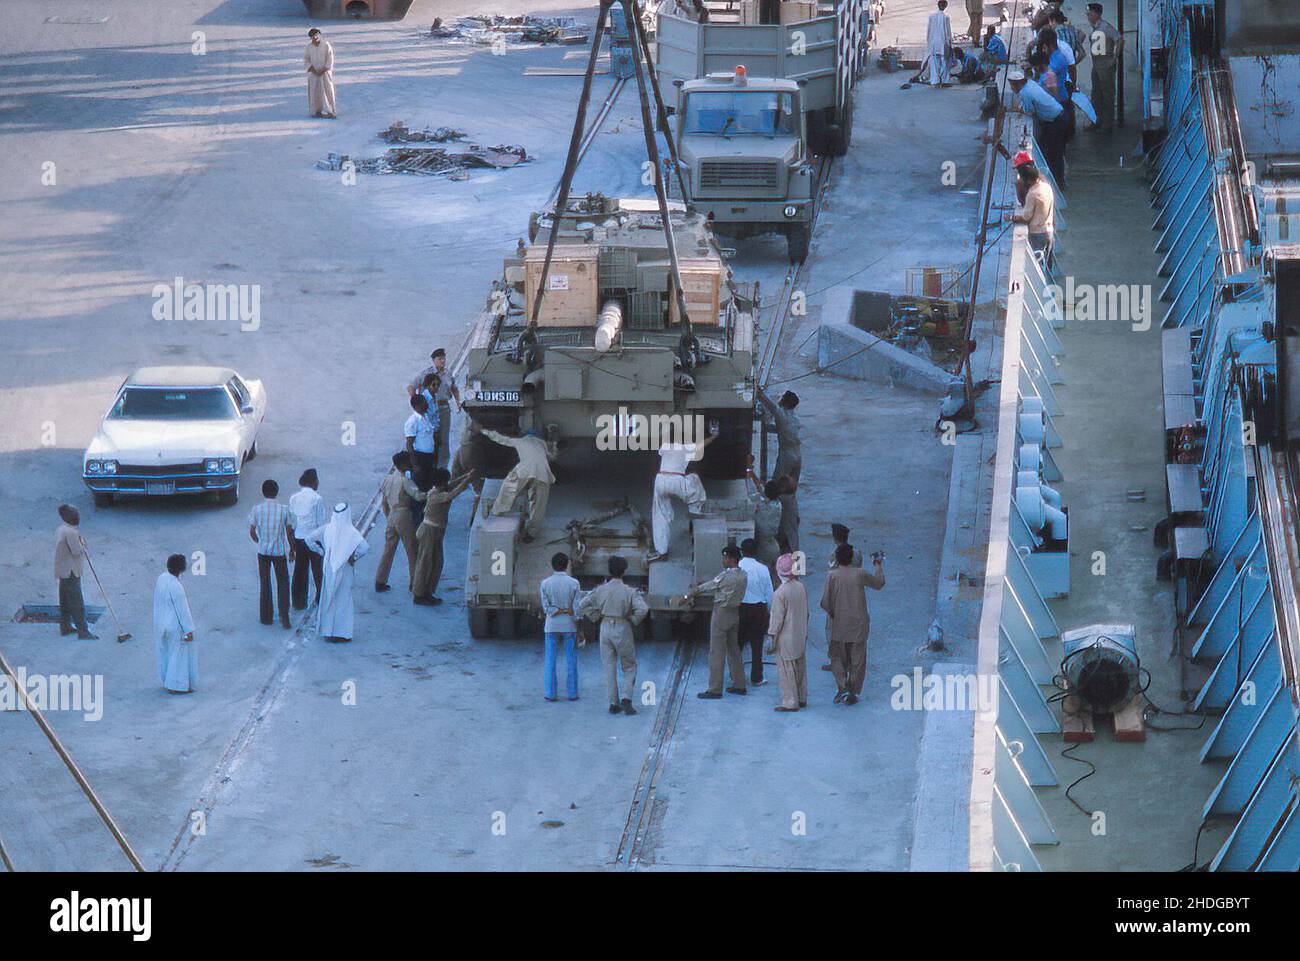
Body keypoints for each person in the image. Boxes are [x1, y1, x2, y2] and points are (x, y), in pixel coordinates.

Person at [578, 555, 649, 715]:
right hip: (622, 626)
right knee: (629, 665)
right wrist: (633, 618)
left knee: (609, 666)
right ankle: (626, 698)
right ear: (624, 571)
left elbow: (582, 604)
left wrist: (595, 616)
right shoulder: (629, 591)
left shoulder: (600, 589)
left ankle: (613, 703)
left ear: (609, 571)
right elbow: (643, 609)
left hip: (605, 627)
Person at [820, 544, 886, 704]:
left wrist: (833, 614)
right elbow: (879, 583)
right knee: (858, 660)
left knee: (837, 658)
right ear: (852, 558)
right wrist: (878, 564)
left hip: (839, 626)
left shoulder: (832, 576)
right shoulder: (860, 573)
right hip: (858, 625)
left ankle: (842, 687)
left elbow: (825, 602)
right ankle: (853, 690)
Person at [690, 545, 750, 699]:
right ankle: (740, 683)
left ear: (731, 559)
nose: (723, 560)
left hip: (721, 614)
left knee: (716, 652)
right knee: (734, 650)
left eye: (725, 557)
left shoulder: (725, 577)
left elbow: (710, 586)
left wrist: (693, 591)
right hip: (734, 614)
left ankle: (715, 689)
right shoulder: (743, 575)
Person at [479, 421, 555, 542]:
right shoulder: (542, 443)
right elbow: (552, 457)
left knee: (509, 487)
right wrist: (553, 441)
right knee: (539, 504)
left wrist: (484, 431)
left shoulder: (520, 441)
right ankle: (531, 533)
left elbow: (502, 439)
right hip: (543, 474)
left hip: (525, 470)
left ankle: (498, 510)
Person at [305, 503, 369, 642]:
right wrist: (353, 557)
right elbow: (364, 547)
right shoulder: (352, 532)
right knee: (344, 599)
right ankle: (342, 633)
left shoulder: (327, 528)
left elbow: (309, 538)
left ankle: (327, 631)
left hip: (329, 567)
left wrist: (321, 552)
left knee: (329, 598)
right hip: (345, 568)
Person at [649, 431, 716, 562]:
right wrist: (713, 436)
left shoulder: (666, 446)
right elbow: (703, 444)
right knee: (694, 479)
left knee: (659, 514)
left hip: (660, 480)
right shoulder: (687, 448)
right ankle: (694, 511)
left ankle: (662, 551)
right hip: (676, 480)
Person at [413, 467, 475, 606]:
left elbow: (452, 484)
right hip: (429, 531)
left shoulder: (439, 489)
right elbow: (452, 493)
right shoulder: (435, 495)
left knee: (436, 563)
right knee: (425, 563)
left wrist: (466, 476)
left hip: (436, 532)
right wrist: (467, 480)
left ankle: (427, 591)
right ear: (441, 482)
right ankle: (419, 594)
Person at [375, 452, 427, 594]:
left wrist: (389, 517)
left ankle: (380, 580)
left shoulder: (387, 479)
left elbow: (384, 502)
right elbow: (418, 496)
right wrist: (432, 493)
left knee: (388, 549)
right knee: (412, 550)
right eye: (408, 461)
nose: (410, 463)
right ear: (402, 465)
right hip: (403, 515)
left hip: (392, 514)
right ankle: (414, 584)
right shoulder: (405, 480)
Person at [1008, 69, 1067, 189]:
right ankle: (1055, 180)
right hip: (1055, 117)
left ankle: (1058, 183)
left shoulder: (1025, 92)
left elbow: (1029, 111)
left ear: (1016, 83)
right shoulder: (1030, 84)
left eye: (1012, 84)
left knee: (1054, 153)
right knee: (1049, 150)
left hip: (1056, 121)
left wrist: (1019, 110)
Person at [247, 479, 294, 629]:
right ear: (277, 491)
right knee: (283, 583)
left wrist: (259, 542)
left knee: (265, 583)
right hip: (279, 551)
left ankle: (266, 617)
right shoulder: (284, 510)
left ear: (263, 492)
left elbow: (252, 531)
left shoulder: (257, 509)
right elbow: (288, 532)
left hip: (263, 552)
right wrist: (292, 549)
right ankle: (284, 617)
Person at [767, 553, 809, 712]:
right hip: (800, 633)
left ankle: (790, 702)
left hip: (786, 637)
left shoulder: (780, 593)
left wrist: (772, 636)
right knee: (800, 666)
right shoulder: (800, 586)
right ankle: (802, 696)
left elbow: (776, 619)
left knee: (786, 670)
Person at [540, 552, 583, 702]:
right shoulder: (574, 583)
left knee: (550, 659)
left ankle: (550, 693)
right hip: (570, 625)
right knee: (571, 659)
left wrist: (557, 610)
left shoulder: (545, 583)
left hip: (551, 625)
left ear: (552, 565)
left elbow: (546, 608)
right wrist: (570, 614)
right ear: (567, 565)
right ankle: (572, 693)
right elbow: (577, 609)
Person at [154, 554, 197, 694]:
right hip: (174, 626)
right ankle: (175, 685)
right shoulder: (177, 587)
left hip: (161, 623)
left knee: (166, 653)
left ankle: (166, 680)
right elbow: (182, 611)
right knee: (177, 655)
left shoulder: (161, 579)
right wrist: (188, 630)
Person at [55, 505, 97, 640]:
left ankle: (65, 626)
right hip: (71, 571)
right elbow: (77, 551)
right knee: (76, 601)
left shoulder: (61, 529)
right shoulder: (72, 532)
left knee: (65, 600)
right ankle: (83, 631)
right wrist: (83, 543)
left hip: (62, 570)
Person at [288, 469, 326, 610]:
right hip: (313, 539)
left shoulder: (294, 498)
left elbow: (292, 522)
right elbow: (320, 523)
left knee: (300, 571)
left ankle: (298, 602)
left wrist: (292, 546)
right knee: (318, 571)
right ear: (313, 482)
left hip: (299, 538)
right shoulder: (317, 499)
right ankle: (320, 598)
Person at [738, 538, 773, 686]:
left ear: (741, 551)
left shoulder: (737, 566)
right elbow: (769, 594)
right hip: (758, 610)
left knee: (737, 644)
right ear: (756, 552)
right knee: (756, 645)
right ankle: (757, 677)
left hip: (740, 608)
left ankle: (736, 676)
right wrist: (770, 612)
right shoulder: (762, 569)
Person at [1085, 3, 1123, 132]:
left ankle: (1107, 124)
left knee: (1107, 94)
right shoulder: (1093, 28)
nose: (1088, 16)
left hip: (1105, 63)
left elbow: (1119, 39)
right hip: (1096, 64)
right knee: (1096, 94)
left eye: (1090, 13)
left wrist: (1114, 57)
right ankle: (1097, 120)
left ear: (1097, 14)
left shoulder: (1106, 27)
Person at [743, 457, 783, 571]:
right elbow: (760, 487)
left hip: (762, 548)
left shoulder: (761, 504)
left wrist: (748, 469)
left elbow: (753, 489)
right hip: (774, 546)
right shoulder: (777, 505)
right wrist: (751, 471)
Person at [1012, 163, 1056, 265]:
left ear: (1028, 180)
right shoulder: (1046, 187)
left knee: (1039, 264)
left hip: (1037, 234)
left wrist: (1011, 217)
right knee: (1048, 266)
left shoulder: (1033, 194)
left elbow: (1025, 217)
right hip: (1049, 232)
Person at [758, 388, 801, 484]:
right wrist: (766, 427)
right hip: (797, 454)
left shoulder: (781, 414)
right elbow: (781, 430)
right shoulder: (795, 418)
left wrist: (759, 393)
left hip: (786, 454)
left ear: (785, 402)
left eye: (782, 398)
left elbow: (771, 406)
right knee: (791, 485)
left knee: (778, 483)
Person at [405, 394, 439, 491]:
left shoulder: (425, 417)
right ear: (416, 406)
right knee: (421, 486)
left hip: (429, 456)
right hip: (420, 457)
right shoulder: (412, 422)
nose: (426, 405)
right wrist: (414, 464)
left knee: (429, 485)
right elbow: (409, 444)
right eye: (424, 403)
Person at [304, 28, 336, 119]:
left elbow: (330, 58)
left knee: (328, 91)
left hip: (325, 72)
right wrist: (312, 69)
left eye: (316, 35)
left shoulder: (326, 45)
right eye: (313, 36)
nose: (315, 38)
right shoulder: (309, 47)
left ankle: (331, 111)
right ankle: (316, 111)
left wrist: (325, 69)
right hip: (314, 73)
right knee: (315, 92)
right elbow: (306, 60)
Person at [926, 1, 954, 87]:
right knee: (945, 61)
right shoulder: (946, 18)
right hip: (943, 42)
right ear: (945, 6)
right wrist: (949, 42)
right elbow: (948, 32)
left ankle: (935, 80)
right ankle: (944, 81)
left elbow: (929, 30)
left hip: (933, 43)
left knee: (934, 62)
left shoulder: (931, 17)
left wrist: (929, 41)